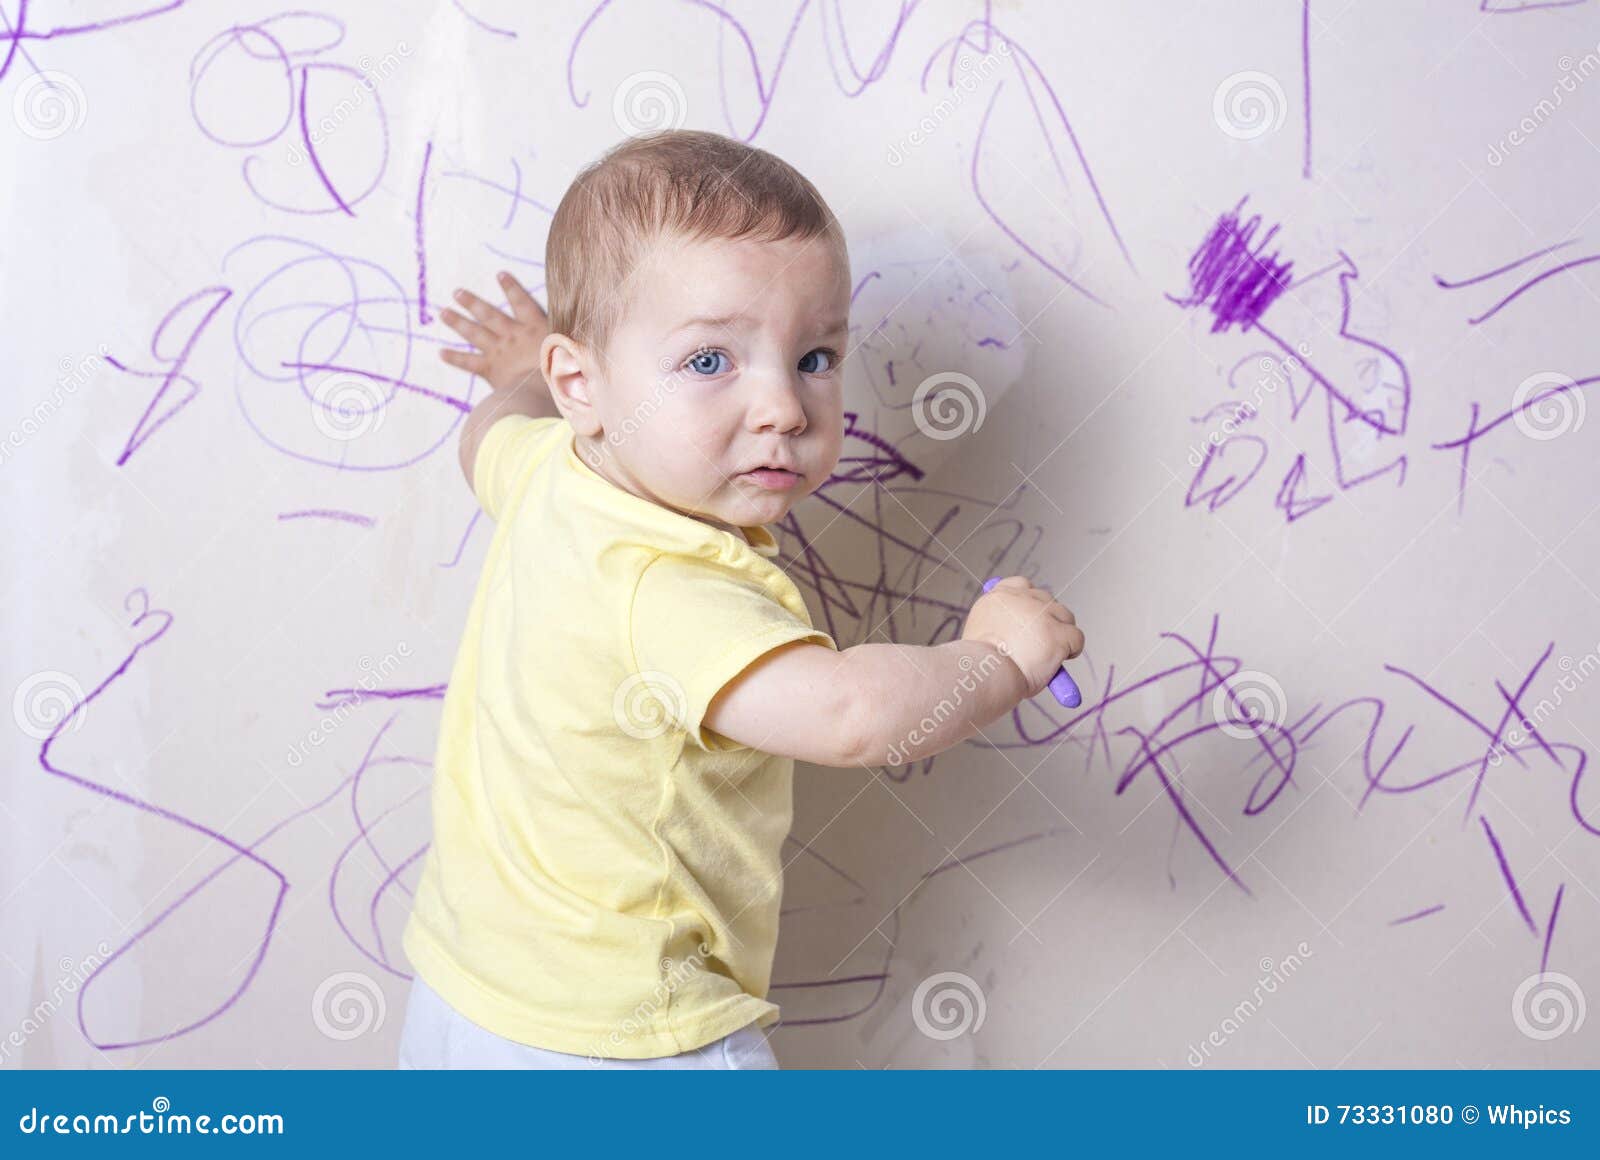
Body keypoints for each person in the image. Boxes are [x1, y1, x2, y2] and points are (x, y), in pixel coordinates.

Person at [397, 128, 1084, 1069]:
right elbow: (851, 717)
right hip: (628, 1040)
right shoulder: (669, 584)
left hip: (465, 995)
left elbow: (485, 431)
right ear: (582, 383)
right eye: (710, 361)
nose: (785, 409)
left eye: (815, 358)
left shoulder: (545, 470)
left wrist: (522, 378)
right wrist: (998, 661)